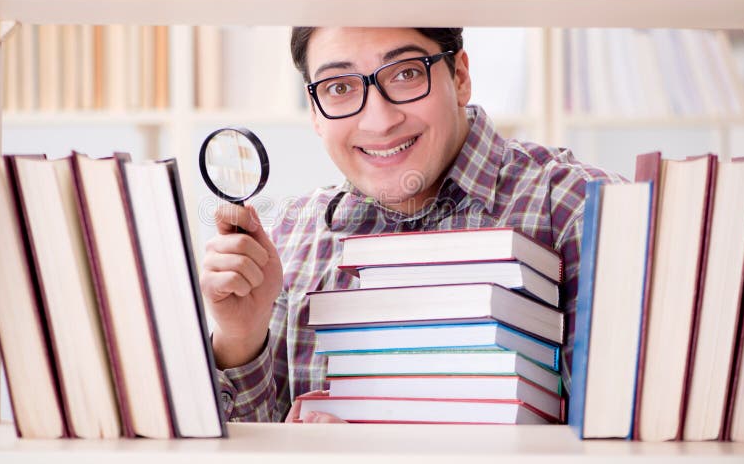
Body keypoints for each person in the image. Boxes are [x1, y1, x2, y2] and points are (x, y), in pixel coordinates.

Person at [199, 27, 624, 423]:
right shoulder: (291, 239)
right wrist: (240, 337)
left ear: (459, 76)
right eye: (340, 88)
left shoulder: (581, 209)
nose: (379, 121)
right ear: (314, 112)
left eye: (405, 73)